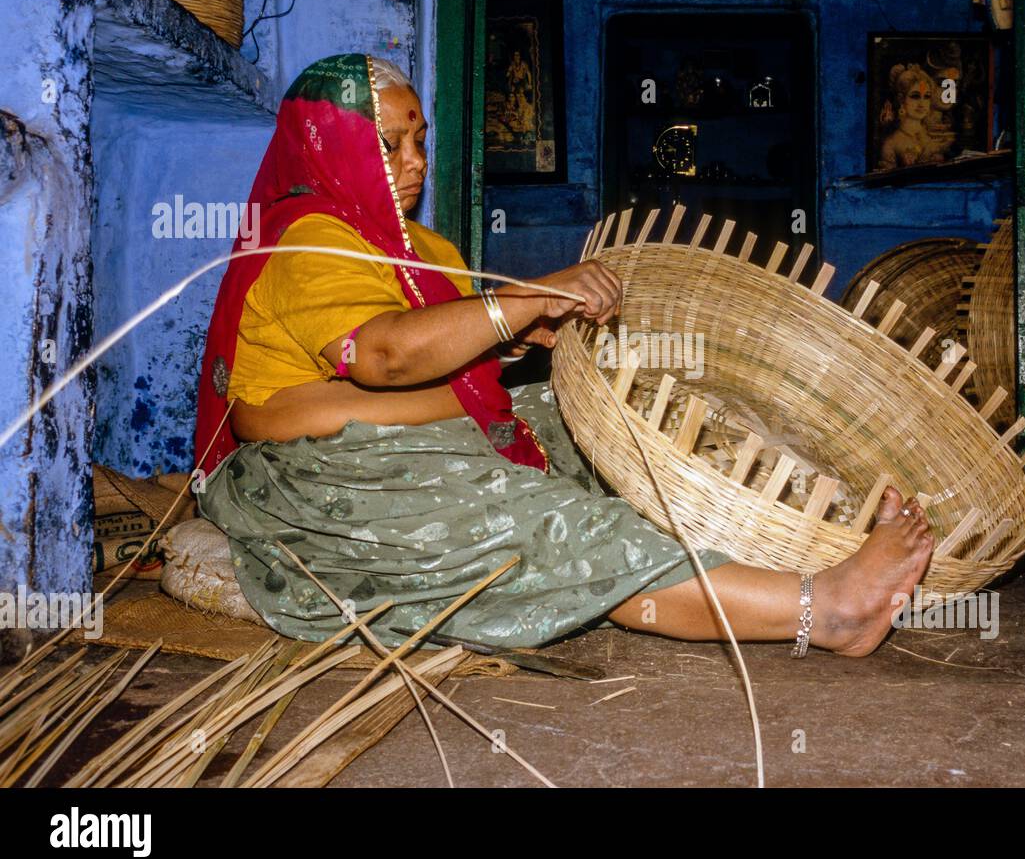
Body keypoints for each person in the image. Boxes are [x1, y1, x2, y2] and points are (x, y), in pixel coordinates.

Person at [193, 53, 934, 657]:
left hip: (413, 430)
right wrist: (525, 298)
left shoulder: (424, 248)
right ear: (331, 146)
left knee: (614, 432)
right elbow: (384, 356)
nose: (414, 162)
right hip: (319, 469)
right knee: (549, 526)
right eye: (390, 144)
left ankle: (805, 542)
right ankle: (825, 611)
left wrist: (507, 341)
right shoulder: (308, 238)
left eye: (420, 140)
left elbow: (447, 353)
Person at [876, 63, 946, 171]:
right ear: (901, 99)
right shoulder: (891, 144)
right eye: (915, 96)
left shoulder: (933, 134)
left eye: (927, 96)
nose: (922, 103)